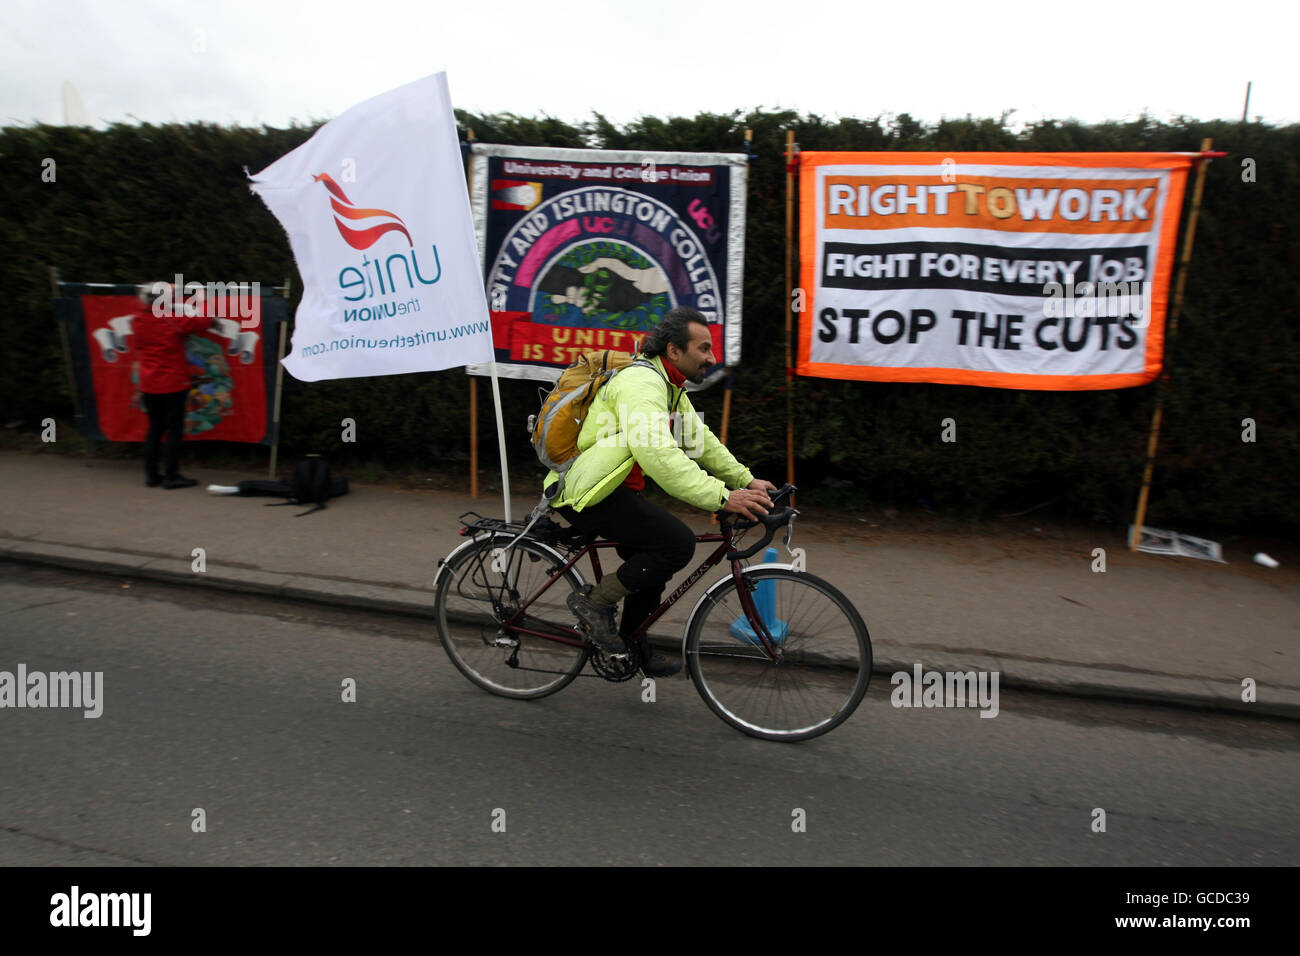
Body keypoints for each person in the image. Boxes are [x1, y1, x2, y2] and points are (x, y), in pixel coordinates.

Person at [550, 307, 776, 677]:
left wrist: (745, 480)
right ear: (673, 350)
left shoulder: (667, 385)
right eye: (703, 348)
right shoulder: (643, 384)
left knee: (653, 562)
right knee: (675, 544)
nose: (711, 358)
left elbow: (698, 441)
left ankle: (632, 647)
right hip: (587, 492)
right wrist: (723, 497)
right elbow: (658, 453)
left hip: (614, 489)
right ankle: (594, 604)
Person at [132, 282, 211, 489]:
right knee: (174, 430)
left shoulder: (138, 320)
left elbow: (139, 345)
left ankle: (151, 475)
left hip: (149, 383)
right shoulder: (171, 319)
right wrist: (200, 299)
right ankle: (171, 476)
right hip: (173, 382)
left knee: (155, 428)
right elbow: (203, 322)